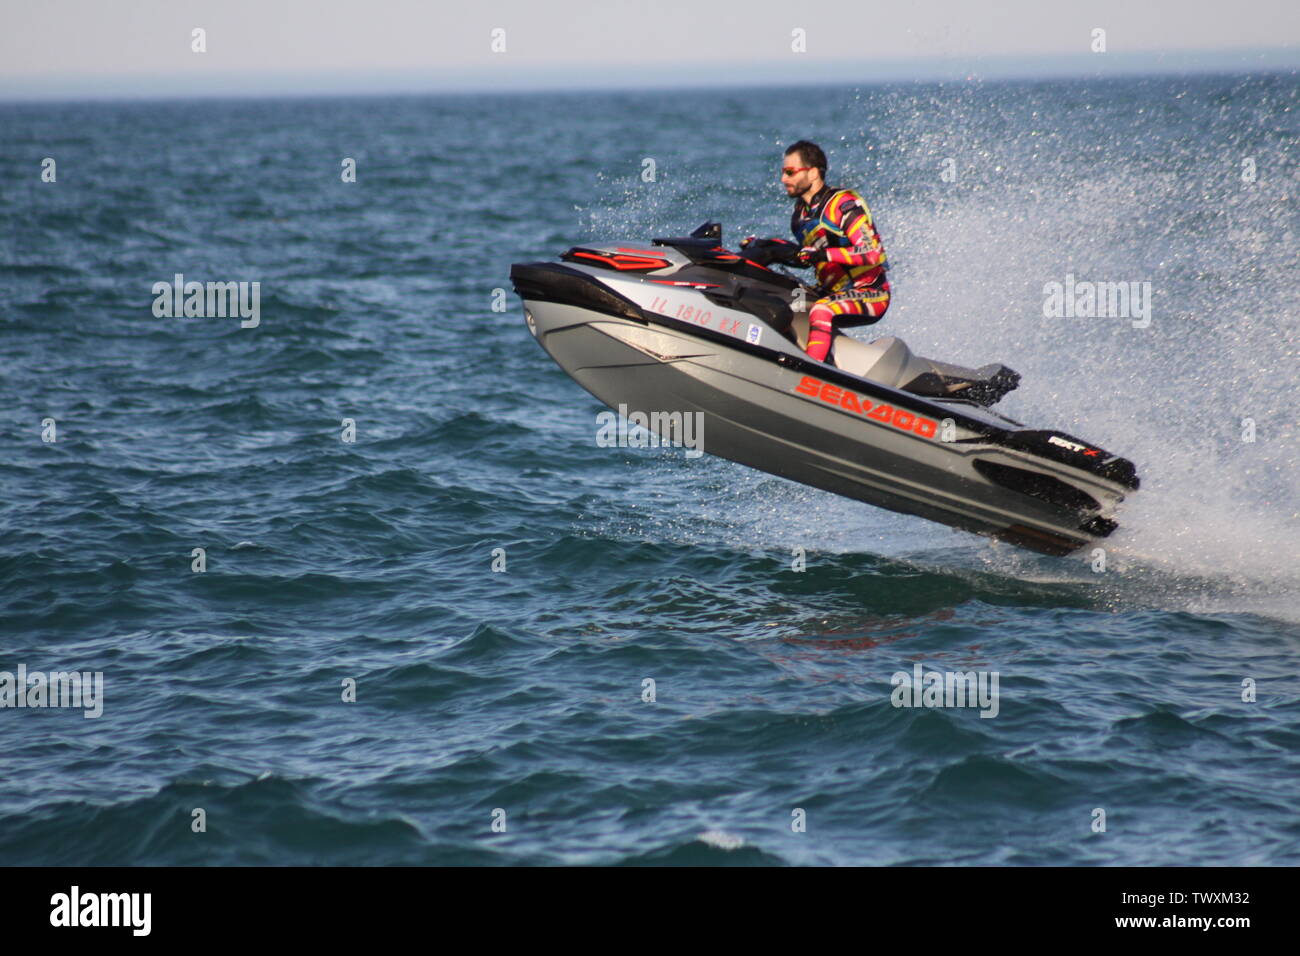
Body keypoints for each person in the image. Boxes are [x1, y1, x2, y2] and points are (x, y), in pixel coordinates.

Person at [742, 141, 889, 363]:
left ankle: (813, 372)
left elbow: (872, 253)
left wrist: (823, 254)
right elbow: (806, 258)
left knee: (821, 309)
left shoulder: (843, 204)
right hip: (829, 292)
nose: (783, 179)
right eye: (783, 172)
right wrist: (767, 248)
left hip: (870, 292)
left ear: (812, 173)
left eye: (790, 172)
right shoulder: (800, 217)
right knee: (785, 297)